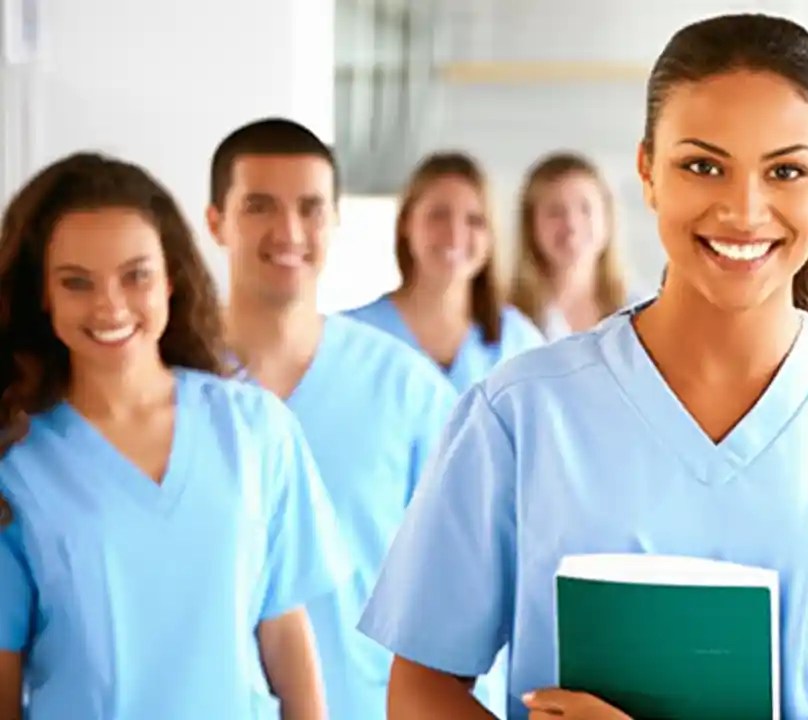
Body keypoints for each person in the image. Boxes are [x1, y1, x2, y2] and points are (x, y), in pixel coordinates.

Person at [357, 13, 808, 720]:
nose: (744, 209)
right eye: (703, 165)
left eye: (786, 171)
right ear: (648, 172)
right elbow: (422, 688)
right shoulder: (520, 414)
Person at [0, 152, 346, 719]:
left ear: (170, 281)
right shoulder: (17, 464)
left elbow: (285, 634)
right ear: (44, 296)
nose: (110, 305)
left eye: (135, 276)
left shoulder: (256, 430)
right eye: (77, 283)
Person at [206, 119, 461, 719]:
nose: (289, 231)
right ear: (216, 221)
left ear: (336, 221)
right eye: (259, 206)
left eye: (311, 208)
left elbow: (459, 590)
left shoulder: (407, 390)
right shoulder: (171, 387)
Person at [344, 152, 544, 392]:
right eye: (438, 216)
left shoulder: (517, 340)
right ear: (406, 222)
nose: (455, 234)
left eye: (474, 220)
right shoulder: (353, 337)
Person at [510, 151, 631, 340]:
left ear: (607, 219)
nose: (571, 224)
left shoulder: (642, 312)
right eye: (555, 212)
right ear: (531, 225)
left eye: (585, 209)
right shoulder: (507, 320)